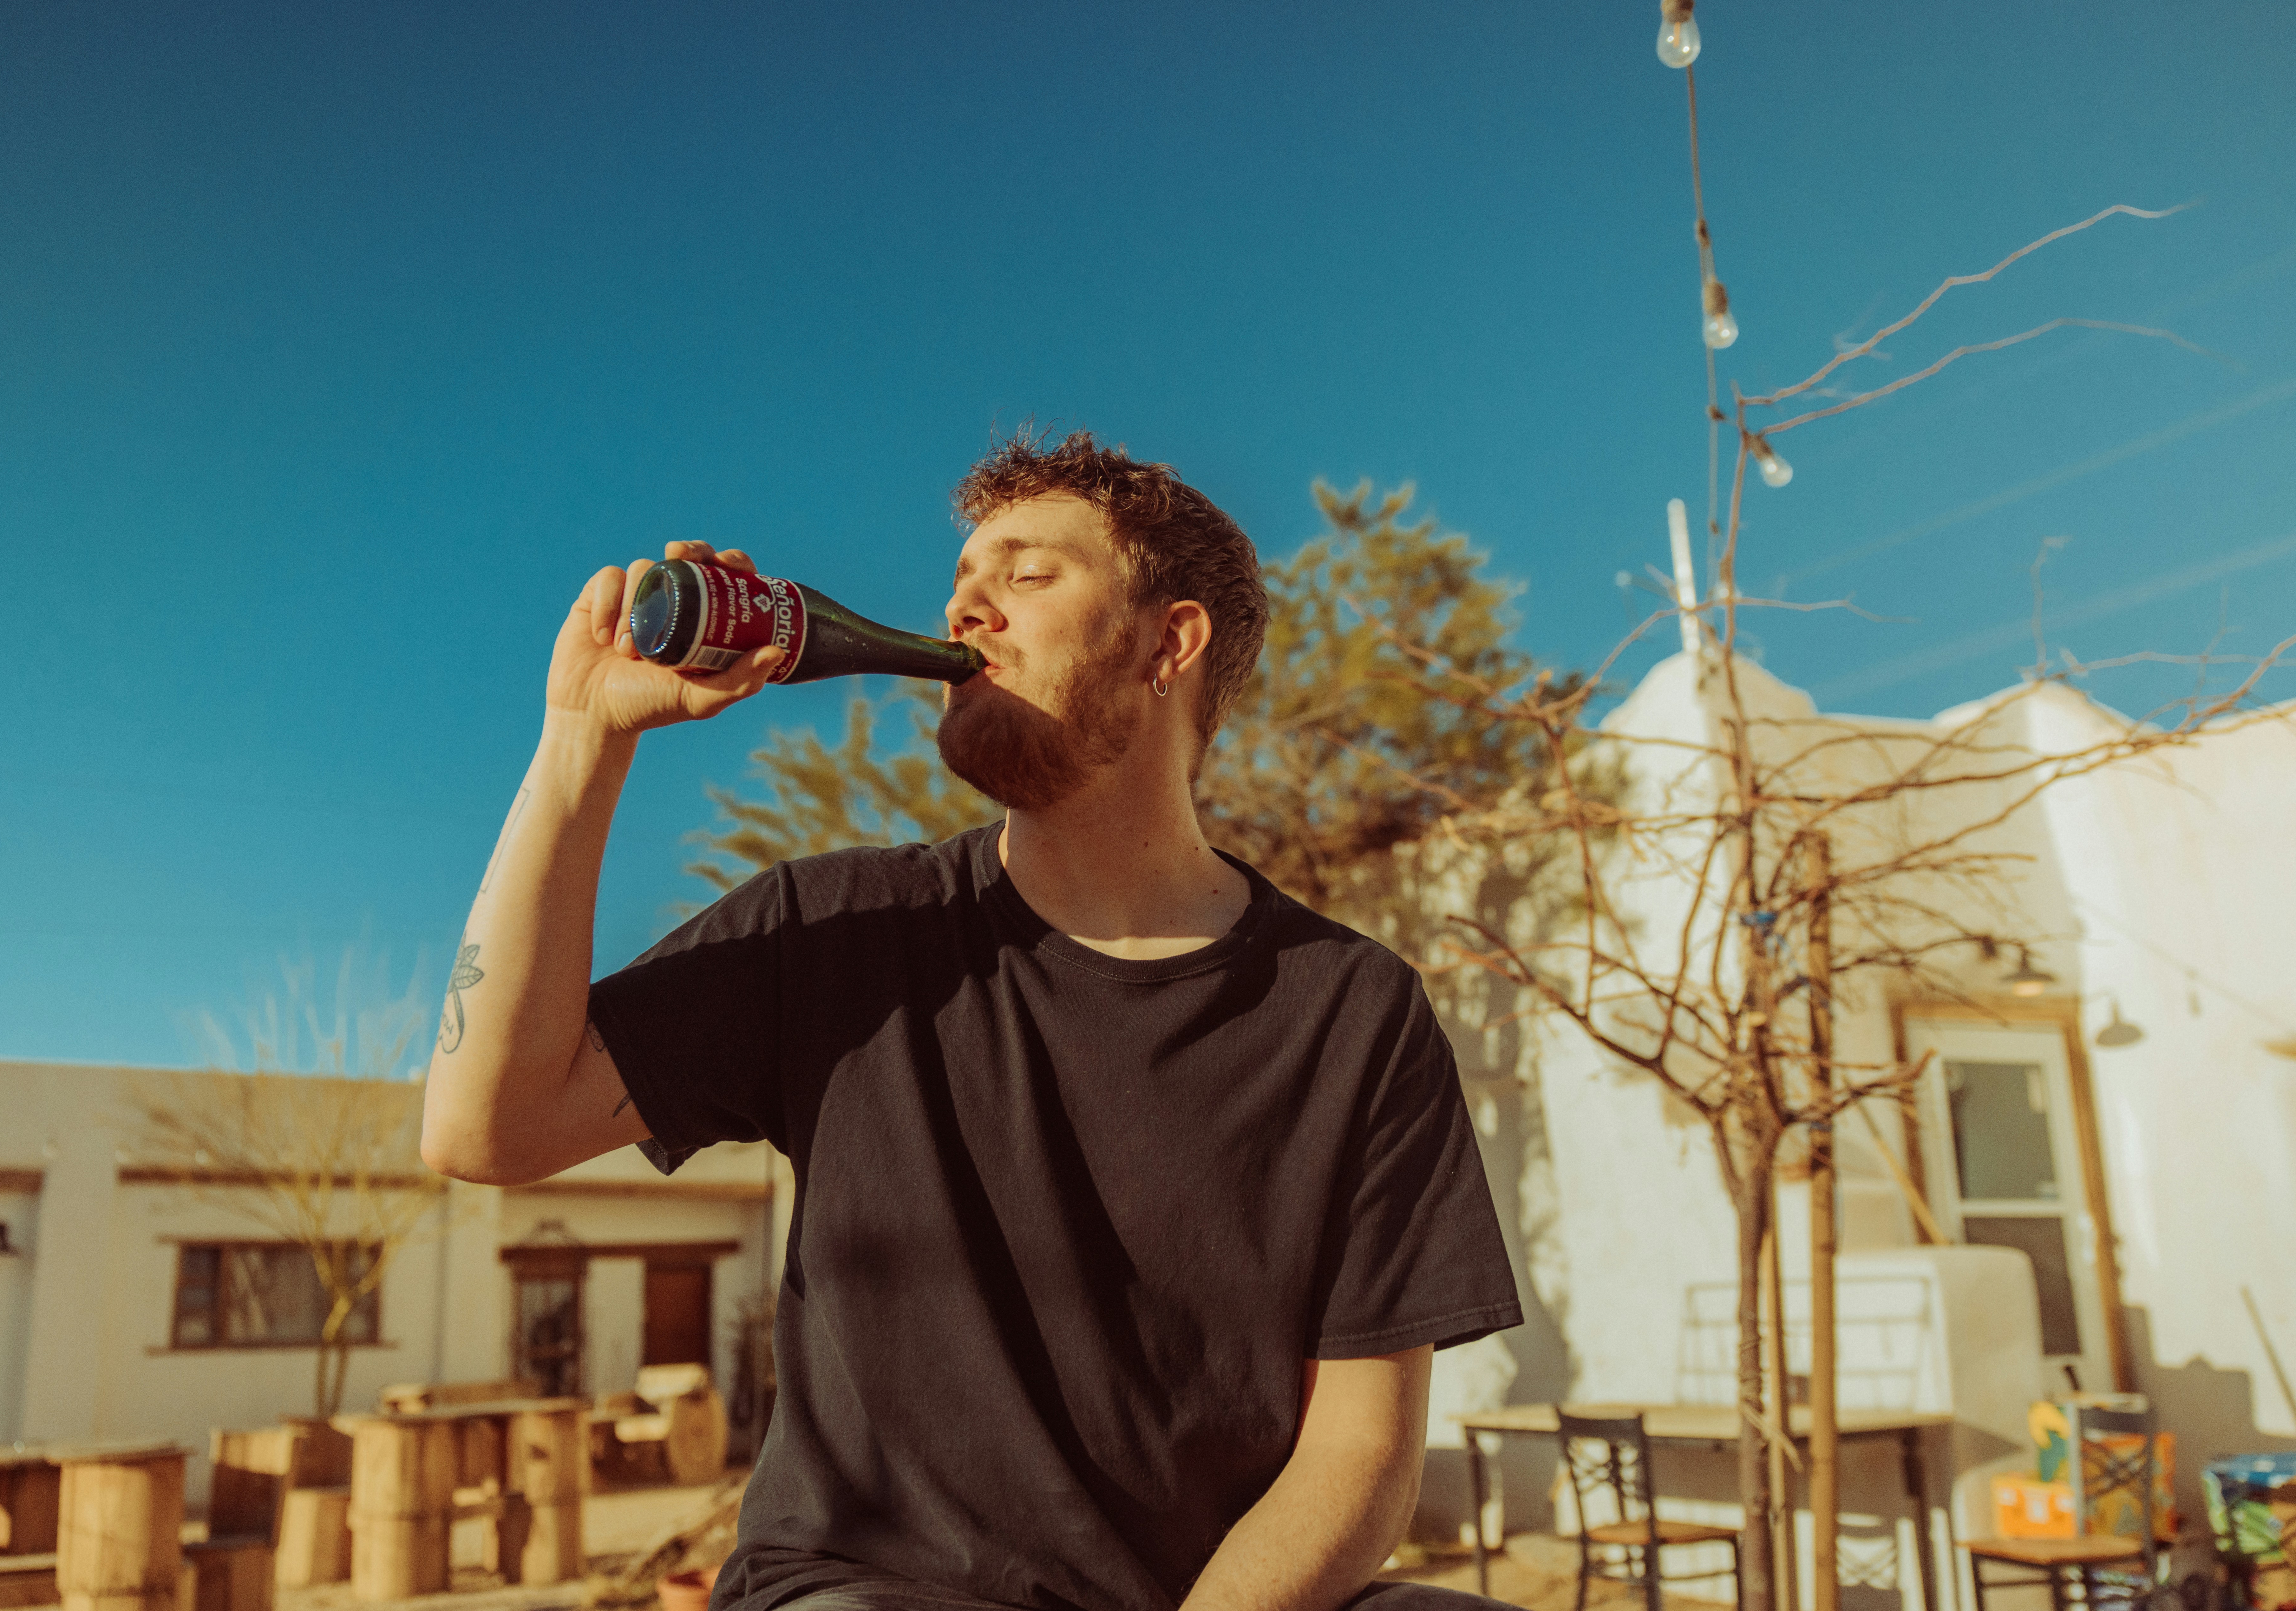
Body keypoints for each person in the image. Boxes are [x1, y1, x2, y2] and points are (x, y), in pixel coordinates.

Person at [421, 432, 1524, 1611]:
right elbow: (488, 1129)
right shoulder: (835, 931)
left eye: (1028, 576)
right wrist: (582, 737)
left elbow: (1360, 1453)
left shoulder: (1353, 1010)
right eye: (962, 584)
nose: (967, 609)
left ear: (1172, 642)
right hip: (867, 1589)